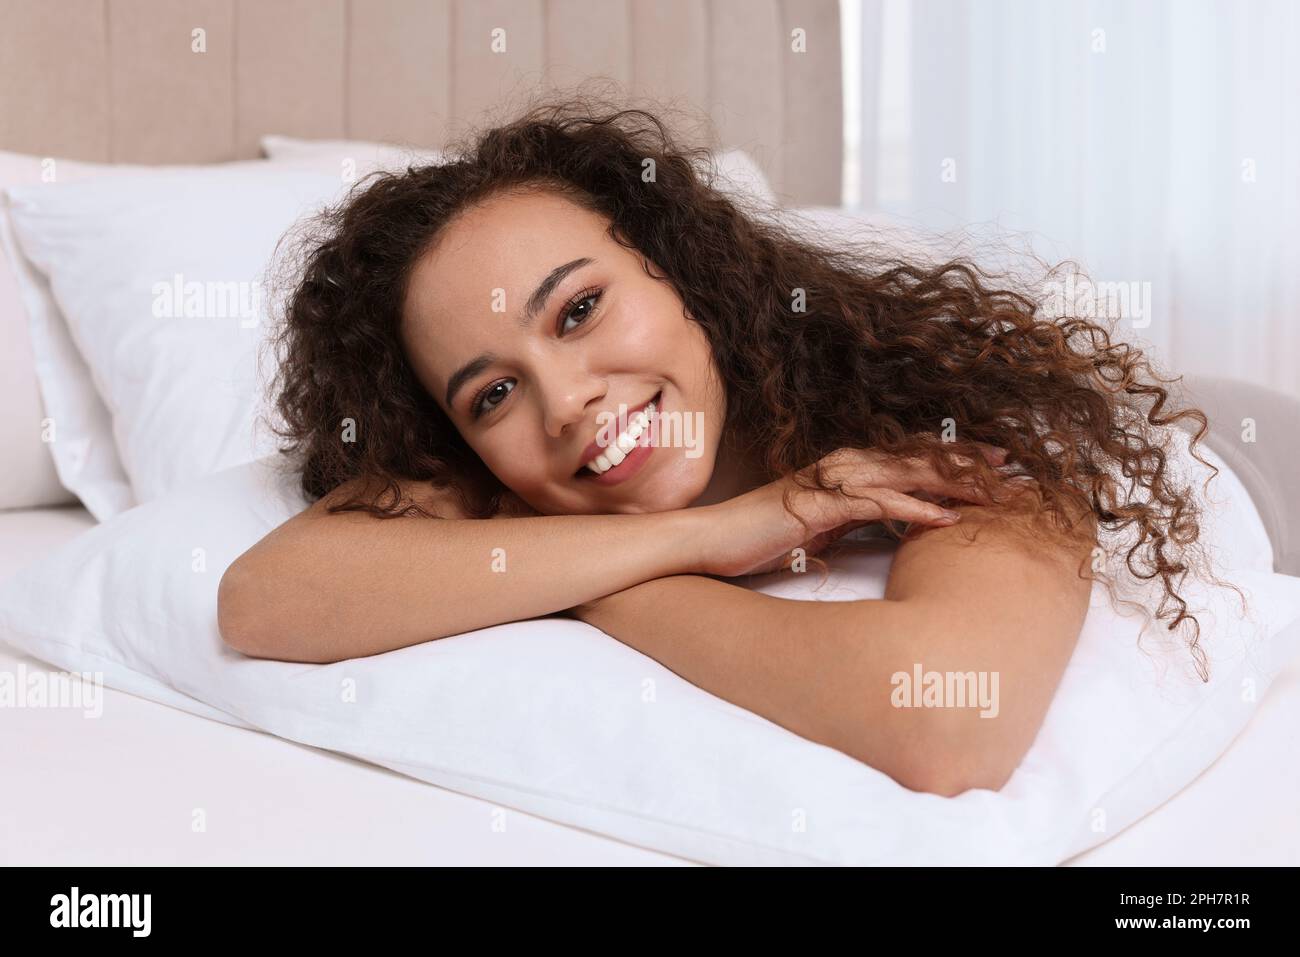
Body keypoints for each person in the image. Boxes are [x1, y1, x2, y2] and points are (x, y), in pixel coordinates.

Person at [217, 99, 1220, 796]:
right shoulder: (505, 478)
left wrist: (585, 581)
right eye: (493, 393)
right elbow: (262, 599)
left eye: (578, 310)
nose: (564, 404)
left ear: (680, 273)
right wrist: (722, 530)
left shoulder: (938, 415)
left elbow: (948, 722)